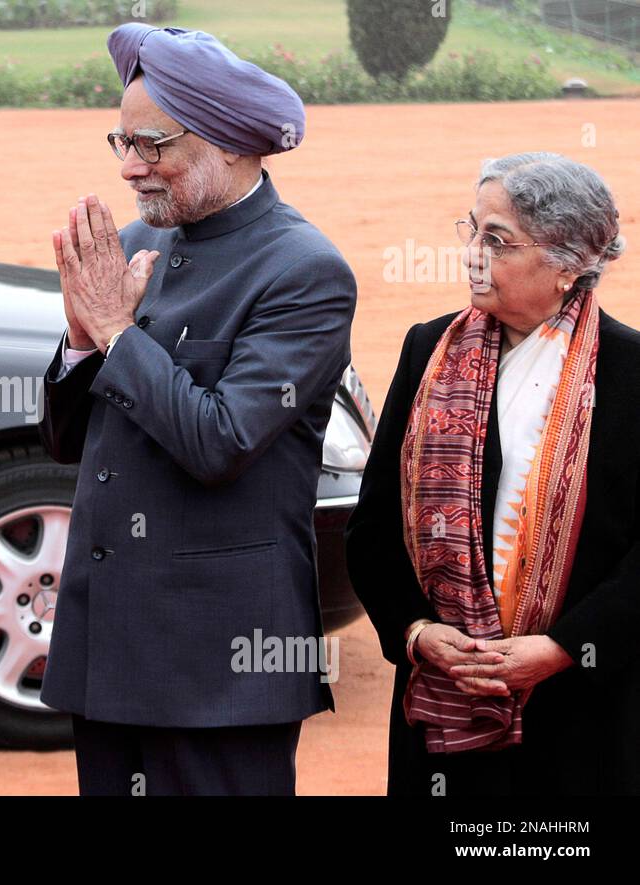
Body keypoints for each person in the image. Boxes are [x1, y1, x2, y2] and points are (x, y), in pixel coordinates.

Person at [38, 25, 357, 795]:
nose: (127, 167)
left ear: (232, 143)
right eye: (121, 139)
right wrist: (82, 344)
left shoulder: (305, 271)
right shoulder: (138, 240)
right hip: (107, 640)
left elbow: (219, 441)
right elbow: (68, 441)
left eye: (152, 144)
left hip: (220, 658)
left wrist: (116, 333)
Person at [347, 152, 636, 795]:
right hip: (444, 704)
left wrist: (562, 647)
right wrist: (418, 632)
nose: (473, 254)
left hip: (579, 713)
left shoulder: (630, 373)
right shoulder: (429, 351)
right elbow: (372, 527)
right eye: (471, 231)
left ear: (568, 265)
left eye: (497, 240)